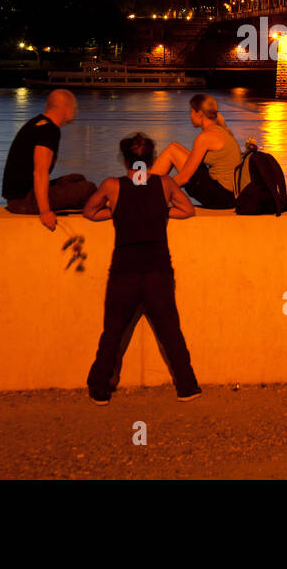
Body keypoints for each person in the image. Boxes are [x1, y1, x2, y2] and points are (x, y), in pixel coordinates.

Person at [82, 133, 201, 405]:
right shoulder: (165, 183)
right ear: (151, 159)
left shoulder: (113, 186)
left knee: (112, 330)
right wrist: (162, 211)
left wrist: (114, 212)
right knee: (170, 330)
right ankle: (187, 386)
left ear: (125, 159)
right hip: (158, 269)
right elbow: (187, 210)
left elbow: (89, 211)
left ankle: (100, 388)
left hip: (125, 270)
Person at [1, 89, 96, 229]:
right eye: (75, 109)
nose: (76, 113)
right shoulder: (49, 131)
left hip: (18, 198)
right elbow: (40, 172)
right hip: (23, 201)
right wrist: (45, 211)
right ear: (68, 109)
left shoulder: (37, 123)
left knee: (76, 179)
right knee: (87, 189)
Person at [150, 93, 244, 209]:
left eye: (191, 112)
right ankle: (146, 190)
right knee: (174, 147)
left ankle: (146, 192)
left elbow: (185, 177)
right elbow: (191, 161)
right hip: (229, 196)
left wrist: (161, 189)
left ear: (199, 113)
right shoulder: (220, 131)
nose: (190, 116)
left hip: (220, 197)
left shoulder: (205, 137)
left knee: (172, 151)